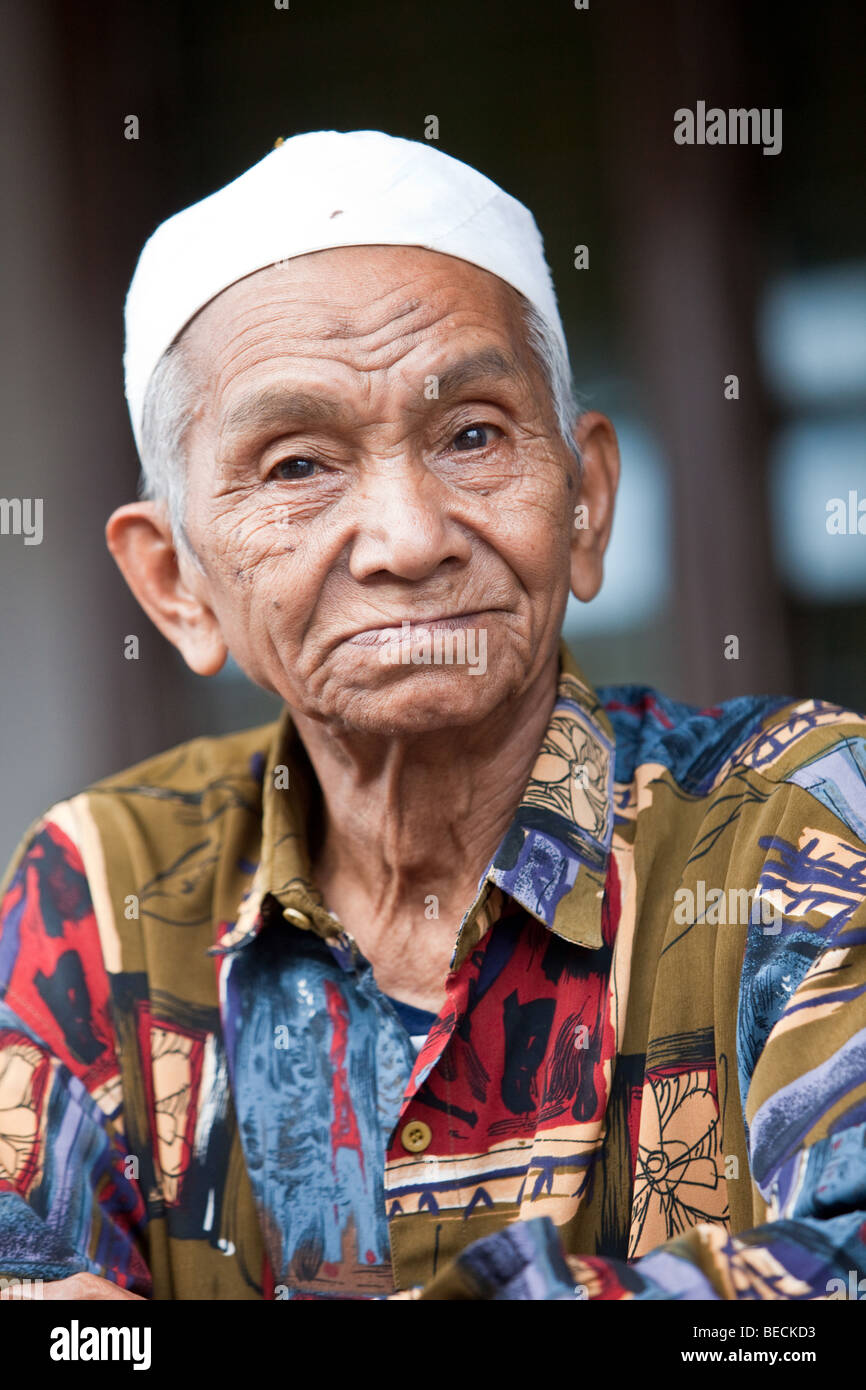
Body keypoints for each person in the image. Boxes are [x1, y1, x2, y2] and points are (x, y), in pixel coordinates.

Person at [1, 130, 865, 1302]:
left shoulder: (800, 816)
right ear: (174, 583)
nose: (408, 541)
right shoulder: (104, 894)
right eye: (297, 465)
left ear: (586, 502)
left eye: (471, 435)